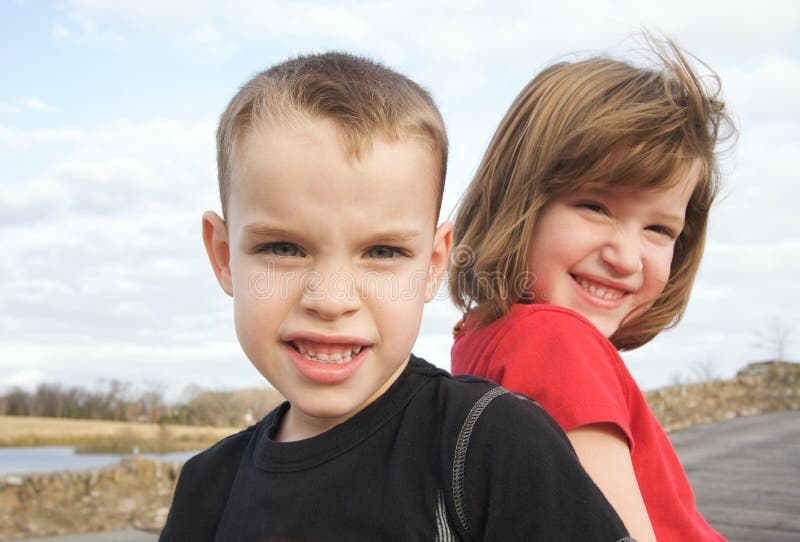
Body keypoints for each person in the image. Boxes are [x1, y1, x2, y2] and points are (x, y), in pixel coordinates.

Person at [159, 52, 631, 541]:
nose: (331, 299)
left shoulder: (489, 444)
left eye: (382, 251)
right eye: (283, 248)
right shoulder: (205, 490)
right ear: (222, 255)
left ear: (432, 265)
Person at [450, 36, 734, 542]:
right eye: (596, 207)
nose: (625, 257)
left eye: (659, 230)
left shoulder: (480, 337)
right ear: (518, 200)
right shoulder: (556, 341)